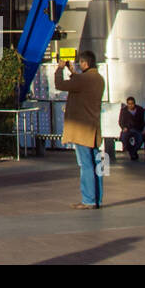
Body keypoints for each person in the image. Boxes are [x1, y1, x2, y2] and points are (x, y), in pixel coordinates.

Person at [55, 51, 106, 208]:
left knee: (86, 164)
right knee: (97, 163)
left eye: (80, 63)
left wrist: (59, 69)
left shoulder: (83, 79)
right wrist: (73, 72)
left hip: (81, 129)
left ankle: (88, 200)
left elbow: (60, 85)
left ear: (85, 64)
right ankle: (97, 199)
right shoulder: (98, 79)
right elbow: (81, 84)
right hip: (93, 128)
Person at [118, 96, 145, 161]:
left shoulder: (140, 110)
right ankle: (132, 152)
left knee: (140, 139)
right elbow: (121, 121)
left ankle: (133, 152)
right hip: (128, 128)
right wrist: (124, 127)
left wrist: (142, 128)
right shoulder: (124, 110)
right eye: (129, 104)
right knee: (124, 138)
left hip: (137, 128)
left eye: (132, 103)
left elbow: (143, 120)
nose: (131, 105)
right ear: (127, 104)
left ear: (134, 103)